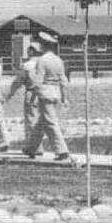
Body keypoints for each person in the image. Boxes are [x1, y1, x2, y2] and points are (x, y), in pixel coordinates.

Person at [26, 32, 71, 161]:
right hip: (56, 92)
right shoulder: (58, 60)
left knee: (50, 122)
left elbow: (38, 80)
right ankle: (31, 148)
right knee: (41, 123)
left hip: (45, 93)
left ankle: (62, 150)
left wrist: (34, 95)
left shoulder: (42, 60)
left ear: (43, 46)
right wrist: (64, 97)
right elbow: (63, 80)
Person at [7, 39, 42, 157]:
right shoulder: (44, 63)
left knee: (31, 120)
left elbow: (18, 81)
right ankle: (39, 146)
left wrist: (10, 93)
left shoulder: (28, 65)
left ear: (32, 51)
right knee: (41, 121)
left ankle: (33, 147)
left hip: (31, 93)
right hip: (43, 94)